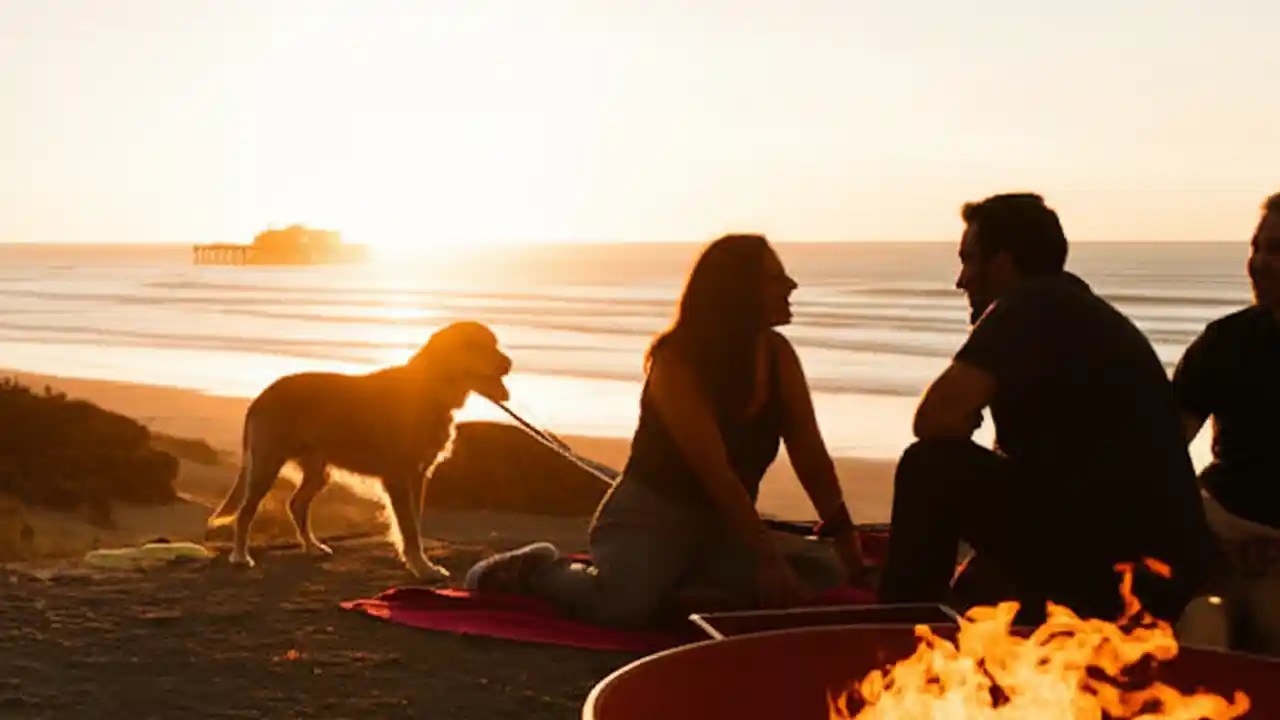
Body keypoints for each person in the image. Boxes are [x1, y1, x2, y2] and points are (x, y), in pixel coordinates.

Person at [463, 234, 865, 629]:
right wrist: (766, 557)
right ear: (738, 291)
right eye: (774, 279)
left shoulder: (778, 355)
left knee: (821, 570)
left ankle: (685, 587)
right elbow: (715, 473)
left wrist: (843, 533)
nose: (790, 286)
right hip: (649, 517)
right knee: (622, 609)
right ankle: (540, 571)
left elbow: (810, 454)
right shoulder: (675, 361)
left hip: (724, 525)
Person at [879, 192, 1214, 622]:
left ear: (1002, 263)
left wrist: (964, 422)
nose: (961, 280)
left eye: (969, 260)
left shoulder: (1030, 305)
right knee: (980, 585)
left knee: (929, 467)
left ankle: (897, 633)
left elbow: (933, 419)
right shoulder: (1078, 309)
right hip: (1150, 561)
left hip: (1120, 567)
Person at [1173, 192, 1280, 530]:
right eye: (1255, 248)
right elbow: (1163, 447)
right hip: (1230, 531)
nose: (1258, 263)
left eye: (1276, 250)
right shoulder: (1225, 341)